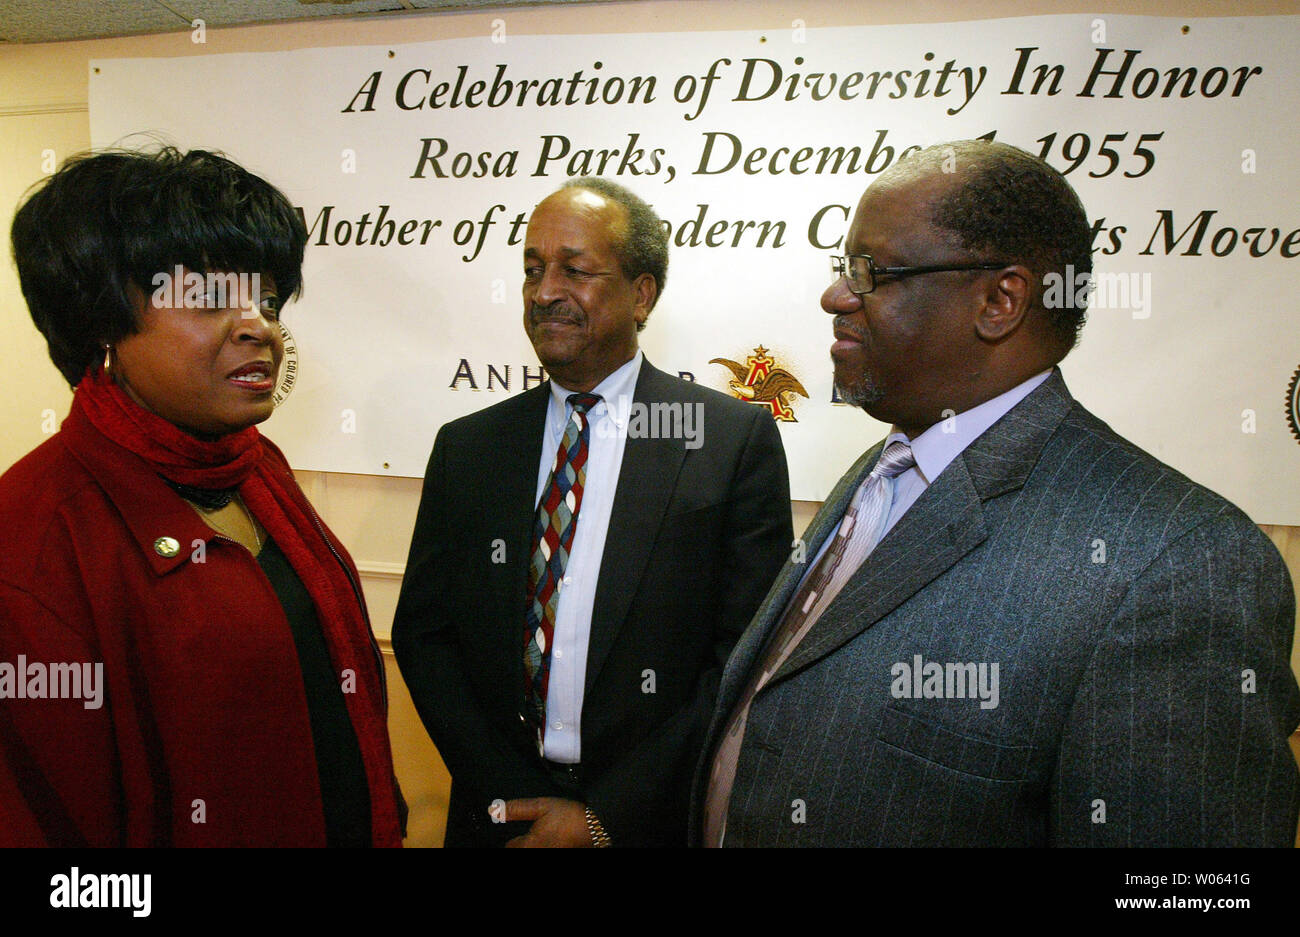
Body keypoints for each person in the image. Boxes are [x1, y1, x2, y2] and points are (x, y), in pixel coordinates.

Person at [695, 140, 1300, 847]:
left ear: (999, 301)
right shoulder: (888, 461)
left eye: (869, 272)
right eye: (841, 268)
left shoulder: (1177, 564)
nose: (835, 296)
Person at [0, 148, 403, 847]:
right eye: (209, 298)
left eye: (268, 300)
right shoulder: (34, 534)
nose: (260, 327)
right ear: (102, 323)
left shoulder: (255, 467)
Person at [393, 177, 792, 847]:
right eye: (531, 269)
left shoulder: (727, 441)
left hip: (648, 822)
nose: (544, 291)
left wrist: (606, 815)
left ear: (641, 293)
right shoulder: (468, 446)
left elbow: (742, 660)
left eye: (574, 270)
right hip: (499, 821)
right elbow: (425, 636)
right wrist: (509, 794)